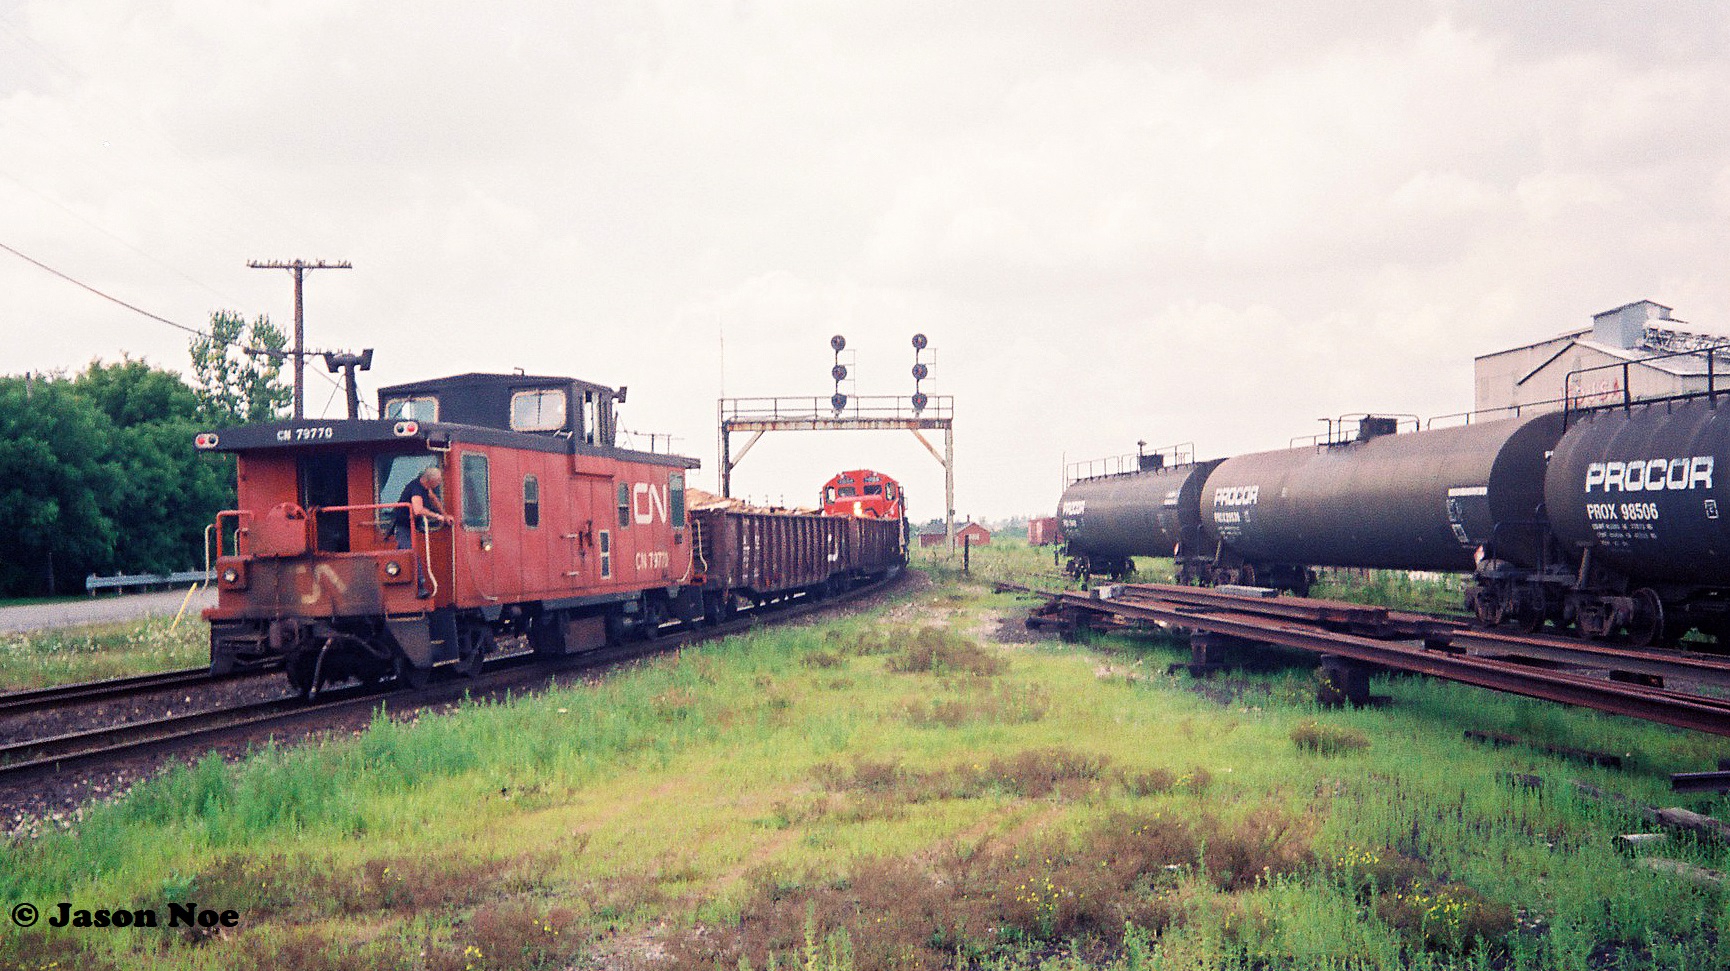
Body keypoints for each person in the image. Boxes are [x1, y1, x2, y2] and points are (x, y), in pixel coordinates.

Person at [393, 465, 451, 596]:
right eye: (438, 481)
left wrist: (445, 515)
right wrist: (438, 516)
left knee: (404, 552)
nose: (439, 483)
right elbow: (418, 509)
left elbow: (433, 499)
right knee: (410, 553)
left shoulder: (425, 487)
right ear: (430, 480)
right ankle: (419, 587)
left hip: (411, 526)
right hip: (403, 526)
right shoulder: (416, 489)